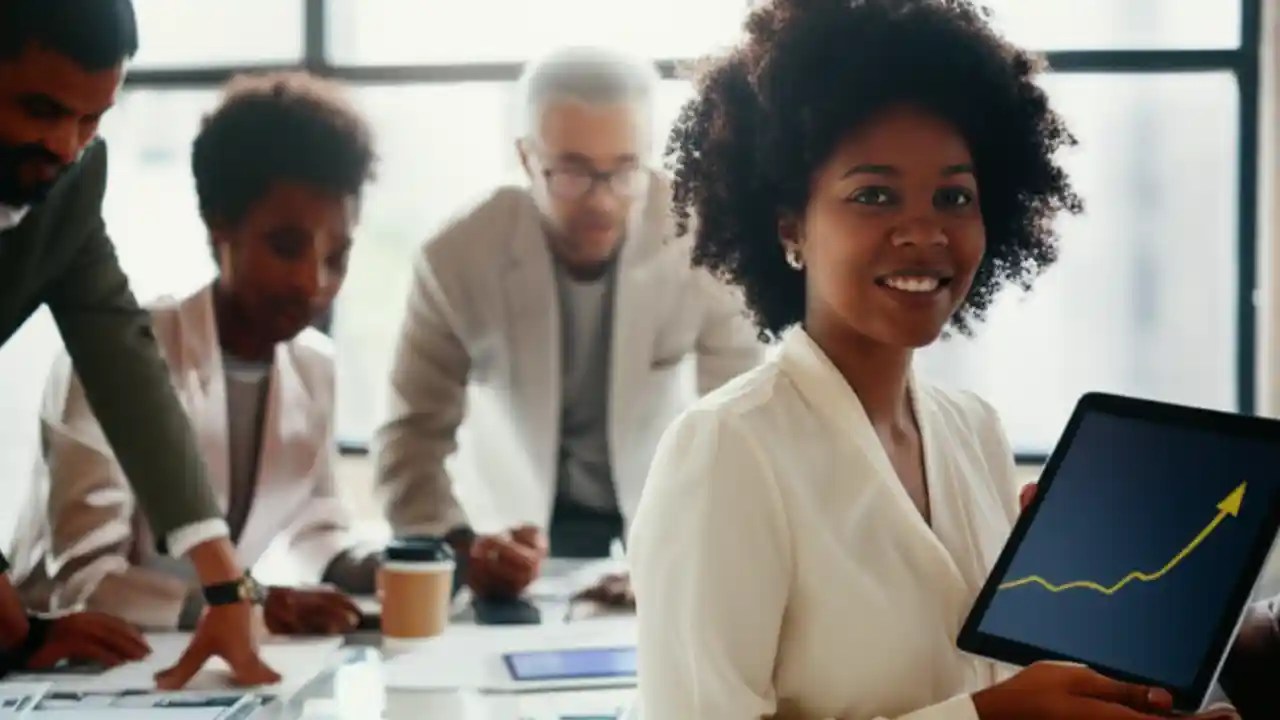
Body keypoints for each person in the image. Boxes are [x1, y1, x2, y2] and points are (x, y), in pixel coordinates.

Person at [626, 0, 1241, 718]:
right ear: (791, 225)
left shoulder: (972, 430)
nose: (923, 231)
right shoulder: (729, 450)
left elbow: (979, 682)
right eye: (874, 194)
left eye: (954, 195)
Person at [374, 45, 763, 600]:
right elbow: (411, 436)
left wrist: (687, 554)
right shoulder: (455, 258)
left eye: (625, 169)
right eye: (573, 172)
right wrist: (459, 546)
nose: (602, 201)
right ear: (527, 158)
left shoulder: (701, 241)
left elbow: (744, 429)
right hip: (515, 524)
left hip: (659, 511)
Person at [8, 71, 378, 637]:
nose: (313, 282)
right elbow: (82, 577)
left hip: (213, 663)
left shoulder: (314, 365)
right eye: (286, 246)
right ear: (218, 226)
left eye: (339, 256)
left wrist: (379, 567)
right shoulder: (120, 352)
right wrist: (244, 603)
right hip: (65, 662)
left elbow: (317, 524)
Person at [0, 0, 276, 687]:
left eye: (91, 119)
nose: (66, 145)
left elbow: (125, 364)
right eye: (40, 109)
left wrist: (225, 583)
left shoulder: (70, 182)